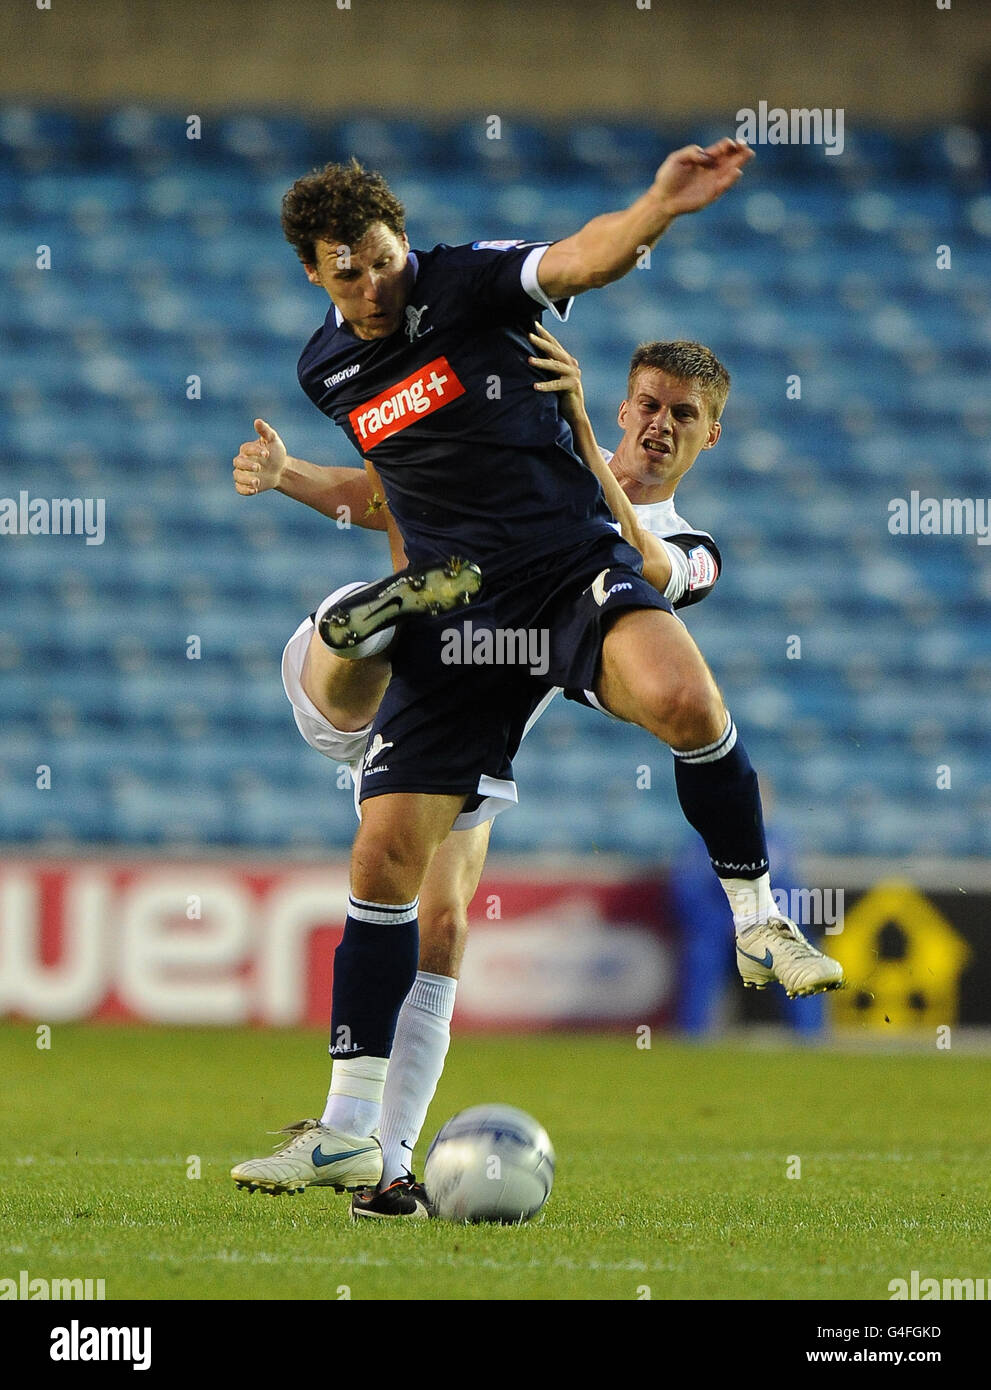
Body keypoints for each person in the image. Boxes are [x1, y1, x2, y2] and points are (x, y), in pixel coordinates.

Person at [230, 141, 843, 1209]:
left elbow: (579, 261)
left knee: (684, 702)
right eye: (348, 272)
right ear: (316, 277)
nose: (373, 286)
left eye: (381, 260)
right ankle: (347, 1129)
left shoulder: (468, 289)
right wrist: (290, 478)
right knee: (381, 859)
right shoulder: (327, 371)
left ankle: (758, 914)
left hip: (562, 575)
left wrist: (655, 206)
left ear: (403, 242)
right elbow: (393, 488)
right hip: (457, 610)